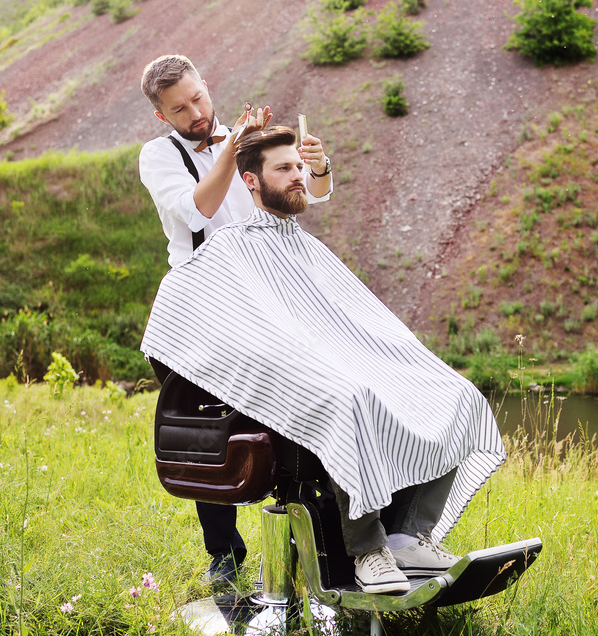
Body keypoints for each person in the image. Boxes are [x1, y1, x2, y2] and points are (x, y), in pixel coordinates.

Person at [140, 127, 506, 594]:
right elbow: (175, 312)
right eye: (285, 169)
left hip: (334, 368)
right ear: (250, 181)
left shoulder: (305, 246)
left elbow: (352, 323)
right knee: (349, 396)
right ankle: (368, 552)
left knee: (452, 392)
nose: (298, 177)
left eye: (299, 167)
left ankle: (408, 534)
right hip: (288, 394)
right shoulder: (229, 247)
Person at [137, 54, 333, 585]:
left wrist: (314, 167)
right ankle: (223, 554)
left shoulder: (246, 139)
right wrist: (231, 147)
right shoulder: (157, 156)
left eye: (198, 97)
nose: (195, 112)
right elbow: (199, 209)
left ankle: (309, 544)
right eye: (180, 109)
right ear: (162, 117)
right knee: (208, 430)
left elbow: (303, 197)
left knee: (299, 417)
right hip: (199, 305)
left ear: (207, 83)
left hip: (265, 297)